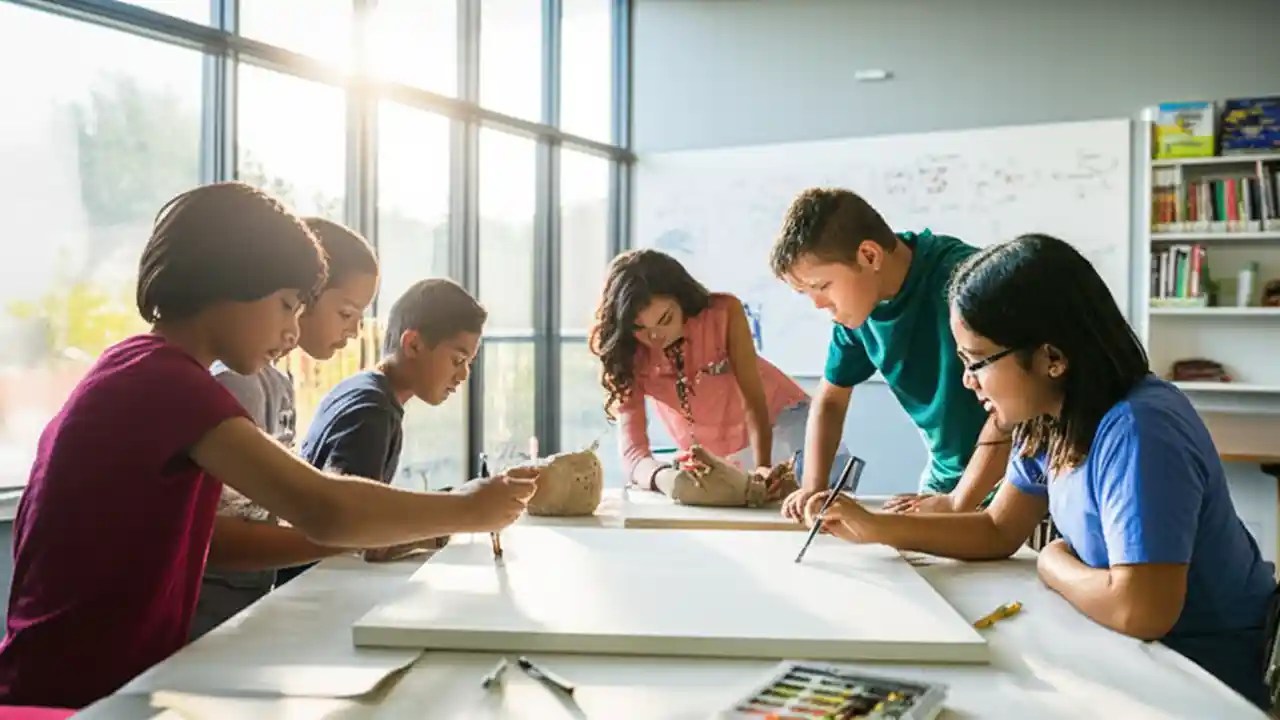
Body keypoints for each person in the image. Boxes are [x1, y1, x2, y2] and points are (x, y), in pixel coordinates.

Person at [0, 182, 537, 709]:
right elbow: (322, 506)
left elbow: (235, 533)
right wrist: (468, 508)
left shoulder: (141, 367)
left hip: (107, 683)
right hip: (71, 701)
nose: (293, 328)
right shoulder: (167, 384)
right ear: (227, 281)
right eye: (286, 304)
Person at [803, 233, 1277, 709]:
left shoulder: (1138, 428)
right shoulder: (1050, 419)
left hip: (1205, 678)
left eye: (976, 362)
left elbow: (1140, 610)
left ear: (1052, 358)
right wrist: (879, 528)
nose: (968, 380)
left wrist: (1053, 562)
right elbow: (997, 528)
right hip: (1132, 653)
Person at [769, 188, 1009, 521]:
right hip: (946, 480)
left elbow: (1011, 411)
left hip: (1012, 480)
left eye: (822, 286)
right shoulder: (858, 311)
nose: (818, 304)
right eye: (805, 293)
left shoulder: (966, 280)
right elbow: (831, 399)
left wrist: (961, 501)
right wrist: (813, 486)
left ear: (869, 256)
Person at [193, 216, 381, 639]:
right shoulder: (235, 382)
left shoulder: (275, 381)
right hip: (206, 611)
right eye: (346, 312)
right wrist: (354, 535)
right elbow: (215, 534)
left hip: (247, 597)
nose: (353, 331)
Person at [276, 278, 488, 584]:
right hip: (314, 589)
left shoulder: (360, 388)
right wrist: (455, 520)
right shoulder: (372, 412)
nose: (464, 374)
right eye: (458, 359)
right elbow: (360, 534)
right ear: (413, 344)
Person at [589, 248, 836, 498]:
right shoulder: (627, 355)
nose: (655, 337)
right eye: (640, 328)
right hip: (719, 452)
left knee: (813, 505)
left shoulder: (723, 313)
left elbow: (754, 399)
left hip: (782, 424)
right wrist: (665, 479)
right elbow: (633, 453)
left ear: (681, 300)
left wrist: (762, 466)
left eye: (665, 319)